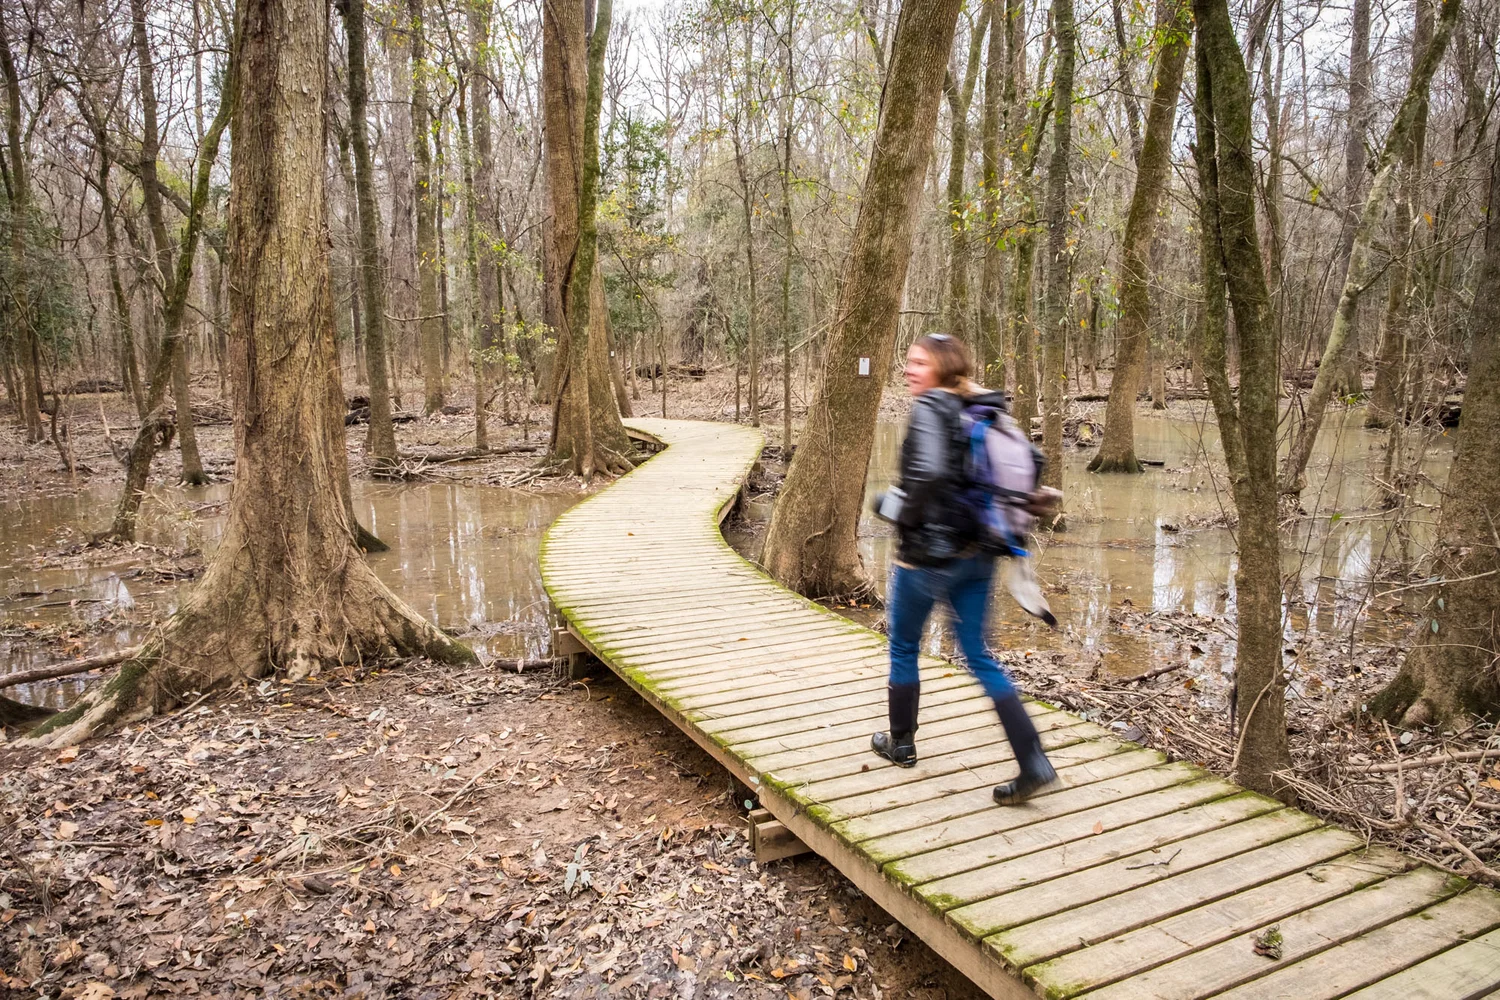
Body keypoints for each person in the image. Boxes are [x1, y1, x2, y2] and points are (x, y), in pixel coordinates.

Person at [870, 333, 1057, 804]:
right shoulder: (984, 407)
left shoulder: (932, 406)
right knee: (978, 654)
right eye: (908, 361)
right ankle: (1033, 760)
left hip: (927, 557)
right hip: (979, 553)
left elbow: (930, 474)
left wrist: (895, 509)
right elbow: (1034, 461)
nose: (910, 369)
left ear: (942, 369)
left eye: (919, 363)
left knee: (904, 645)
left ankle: (902, 743)